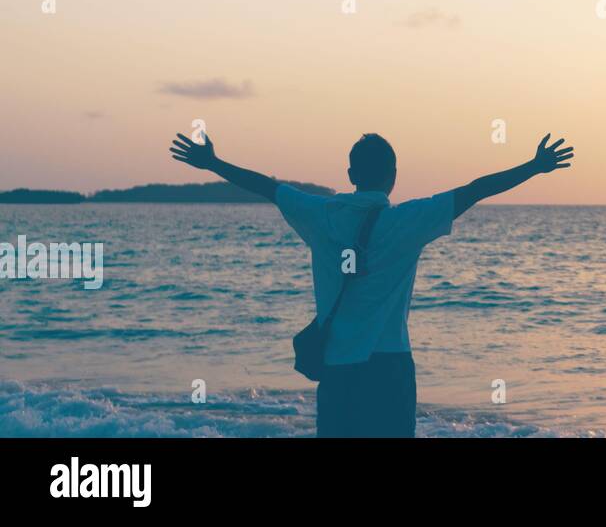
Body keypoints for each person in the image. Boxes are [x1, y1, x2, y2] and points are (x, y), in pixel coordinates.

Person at [168, 129, 574, 437]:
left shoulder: (320, 213)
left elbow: (267, 187)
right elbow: (475, 191)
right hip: (390, 368)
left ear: (350, 174)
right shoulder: (407, 221)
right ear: (393, 176)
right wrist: (534, 167)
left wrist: (213, 163)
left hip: (338, 370)